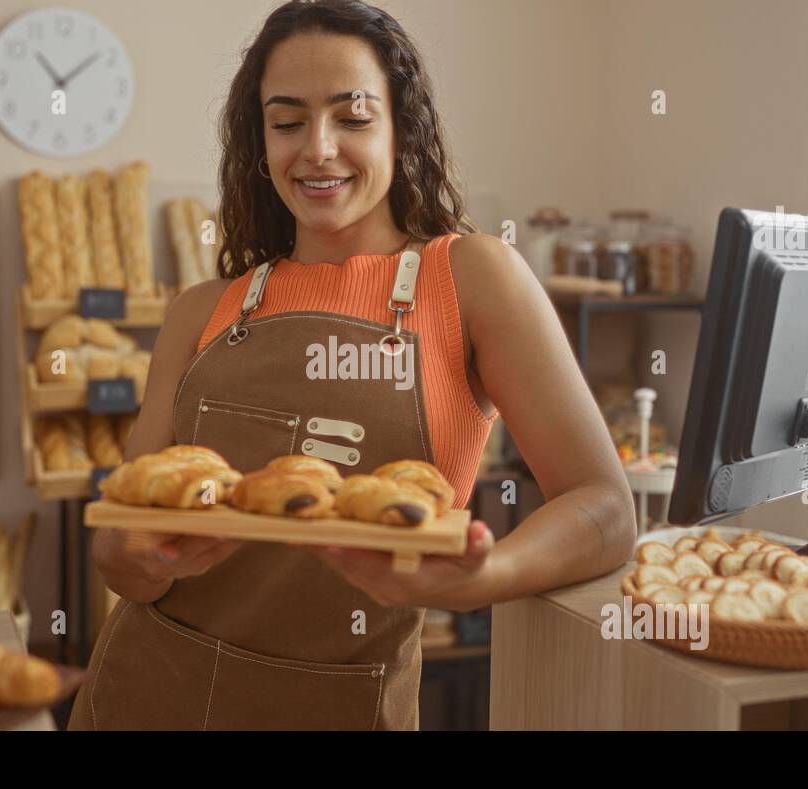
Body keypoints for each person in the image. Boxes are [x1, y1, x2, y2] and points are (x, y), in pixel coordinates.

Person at [68, 0, 635, 730]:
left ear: (403, 129)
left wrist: (483, 579)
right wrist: (144, 558)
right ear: (260, 138)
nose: (319, 149)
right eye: (287, 121)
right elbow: (117, 550)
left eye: (353, 116)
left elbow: (605, 506)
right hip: (142, 697)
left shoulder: (472, 280)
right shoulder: (200, 310)